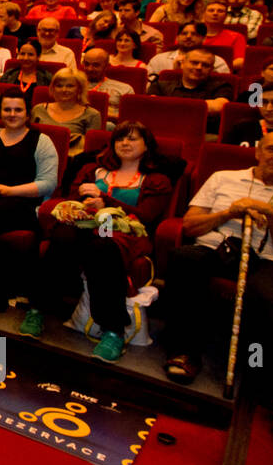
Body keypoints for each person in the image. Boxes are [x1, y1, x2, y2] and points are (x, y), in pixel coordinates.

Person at [159, 133, 273, 443]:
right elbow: (190, 226)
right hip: (218, 249)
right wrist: (229, 213)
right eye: (272, 149)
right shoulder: (222, 178)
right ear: (258, 151)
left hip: (269, 260)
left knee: (269, 294)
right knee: (185, 259)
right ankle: (185, 352)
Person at [28, 122, 174, 361]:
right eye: (120, 139)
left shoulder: (156, 179)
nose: (125, 144)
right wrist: (81, 204)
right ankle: (38, 308)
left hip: (124, 232)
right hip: (87, 225)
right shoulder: (91, 170)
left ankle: (114, 330)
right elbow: (71, 198)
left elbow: (147, 216)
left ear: (146, 146)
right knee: (63, 234)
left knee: (102, 246)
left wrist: (106, 202)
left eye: (133, 139)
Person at [0, 93, 57, 317]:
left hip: (21, 201)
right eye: (7, 109)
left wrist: (9, 190)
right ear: (0, 112)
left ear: (27, 114)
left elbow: (48, 184)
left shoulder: (41, 141)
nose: (12, 114)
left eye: (17, 110)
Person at [32, 68, 102, 156]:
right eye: (59, 86)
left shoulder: (92, 115)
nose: (64, 90)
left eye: (70, 86)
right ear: (53, 88)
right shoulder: (38, 109)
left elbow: (90, 153)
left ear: (79, 89)